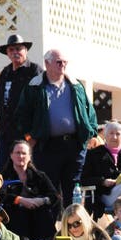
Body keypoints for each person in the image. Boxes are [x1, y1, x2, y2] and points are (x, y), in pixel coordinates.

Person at [16, 48, 98, 207]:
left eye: (65, 62)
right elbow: (21, 115)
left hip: (74, 146)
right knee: (49, 189)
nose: (62, 65)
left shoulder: (76, 85)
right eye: (58, 62)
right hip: (47, 146)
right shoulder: (34, 86)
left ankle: (72, 227)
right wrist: (28, 138)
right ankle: (49, 230)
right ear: (47, 63)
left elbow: (90, 111)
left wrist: (91, 134)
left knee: (73, 190)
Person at [0, 140, 61, 240]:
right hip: (15, 212)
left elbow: (54, 196)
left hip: (36, 210)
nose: (20, 156)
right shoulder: (3, 176)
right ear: (11, 155)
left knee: (42, 208)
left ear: (29, 156)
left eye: (24, 153)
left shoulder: (40, 176)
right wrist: (20, 200)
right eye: (17, 153)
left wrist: (41, 200)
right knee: (17, 209)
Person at [0, 34, 42, 171]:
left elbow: (41, 105)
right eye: (11, 50)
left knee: (29, 170)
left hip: (26, 133)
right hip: (5, 132)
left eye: (18, 49)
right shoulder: (5, 72)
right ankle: (4, 193)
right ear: (7, 54)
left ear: (25, 50)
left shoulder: (34, 71)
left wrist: (33, 134)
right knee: (3, 169)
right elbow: (0, 103)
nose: (15, 52)